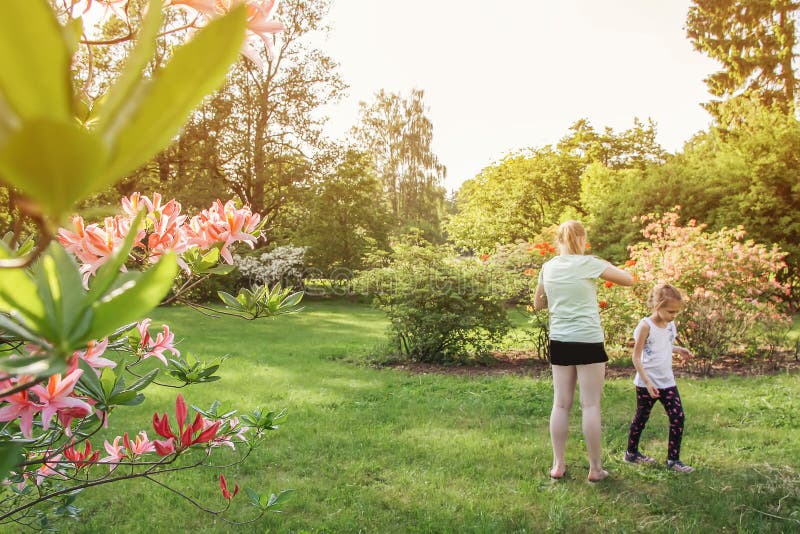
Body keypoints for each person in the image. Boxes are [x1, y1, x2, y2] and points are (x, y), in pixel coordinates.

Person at [534, 220, 634, 482]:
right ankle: (595, 469)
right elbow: (628, 280)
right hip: (588, 340)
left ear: (558, 240)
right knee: (590, 405)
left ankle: (558, 465)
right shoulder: (590, 263)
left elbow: (538, 303)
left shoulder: (548, 266)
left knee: (561, 403)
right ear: (581, 238)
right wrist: (602, 264)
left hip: (561, 340)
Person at [624, 283, 695, 473]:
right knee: (641, 417)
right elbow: (636, 357)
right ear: (658, 307)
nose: (673, 316)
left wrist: (678, 349)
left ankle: (673, 460)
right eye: (670, 311)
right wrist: (647, 382)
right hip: (647, 382)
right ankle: (631, 453)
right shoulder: (645, 326)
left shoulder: (670, 324)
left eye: (676, 312)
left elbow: (663, 345)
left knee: (678, 418)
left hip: (667, 381)